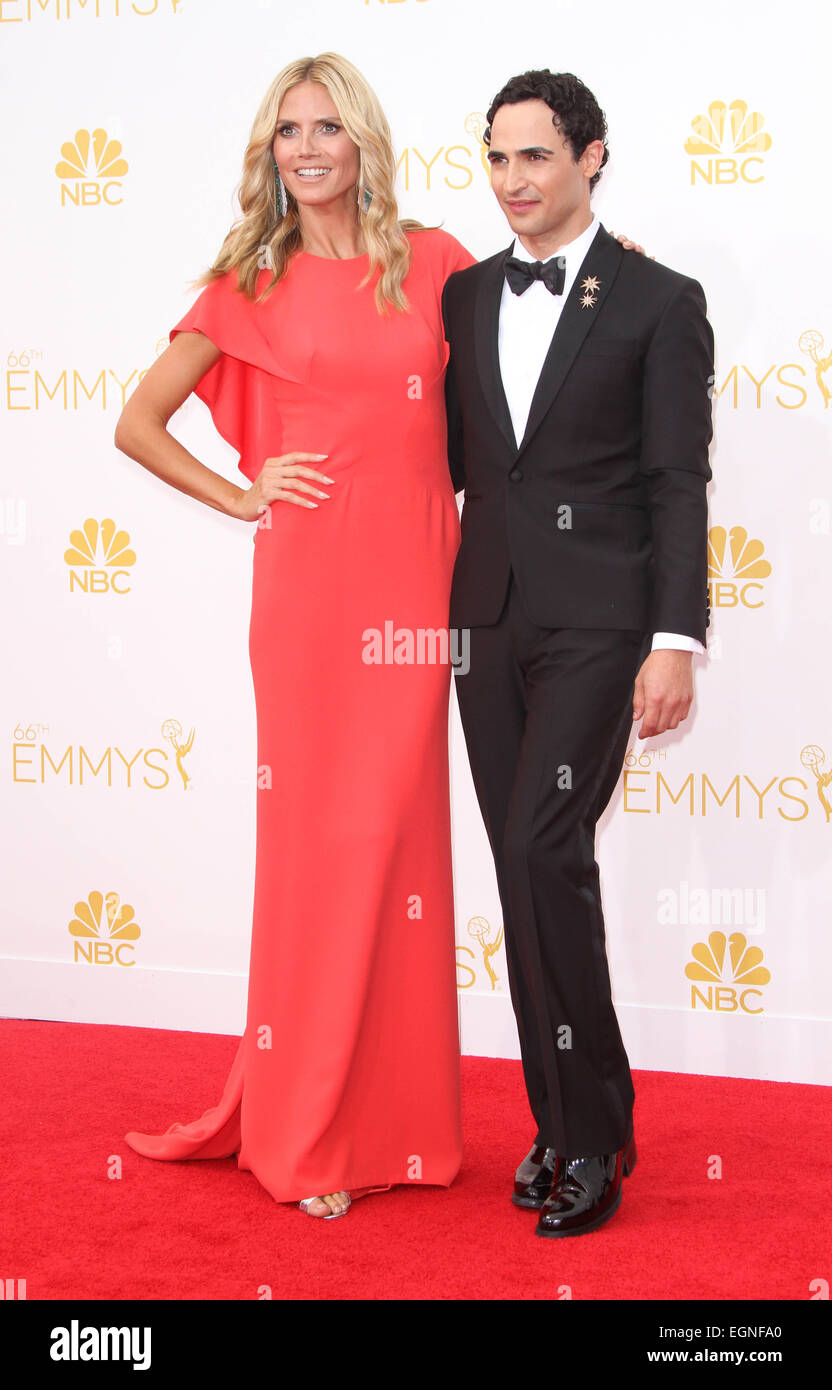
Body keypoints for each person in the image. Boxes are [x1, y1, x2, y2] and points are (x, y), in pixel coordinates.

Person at [115, 52, 477, 1220]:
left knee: (403, 850)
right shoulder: (249, 281)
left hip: (424, 586)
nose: (308, 148)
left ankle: (404, 1129)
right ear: (270, 152)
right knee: (329, 850)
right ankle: (303, 1132)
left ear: (363, 139)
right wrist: (238, 493)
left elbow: (524, 376)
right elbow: (139, 420)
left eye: (327, 127)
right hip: (316, 590)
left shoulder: (434, 263)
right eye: (288, 131)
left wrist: (597, 279)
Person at [441, 69, 714, 1237]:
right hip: (486, 616)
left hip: (602, 625)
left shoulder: (660, 299)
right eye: (497, 159)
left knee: (549, 847)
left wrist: (674, 638)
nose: (513, 182)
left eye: (536, 158)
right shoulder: (457, 297)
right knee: (521, 867)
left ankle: (595, 1134)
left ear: (591, 157)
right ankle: (557, 1125)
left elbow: (675, 480)